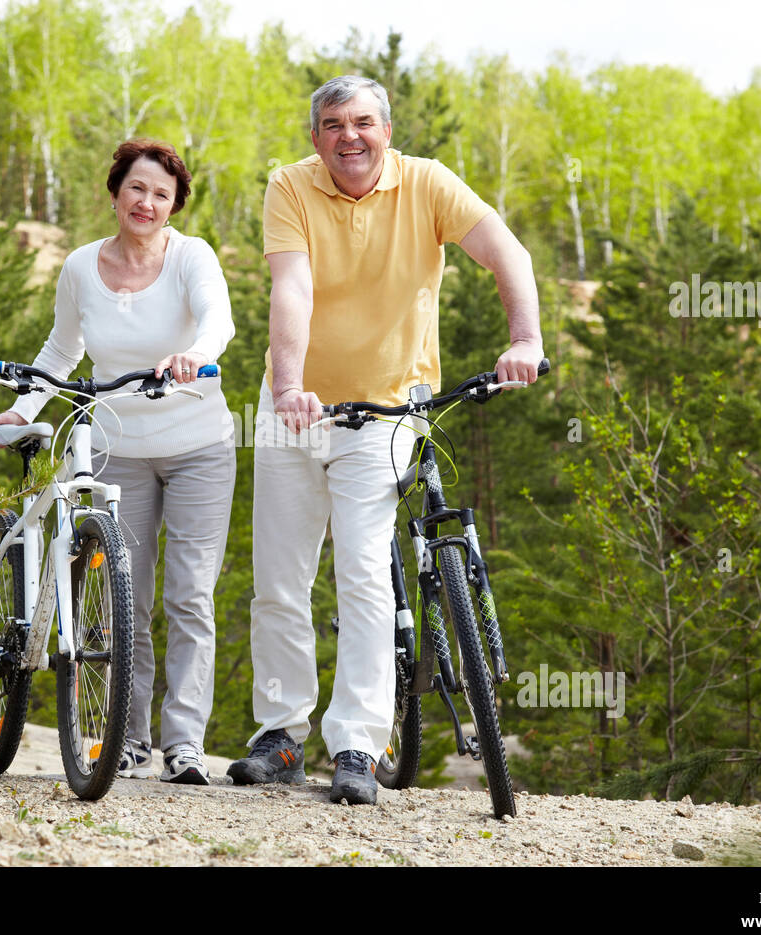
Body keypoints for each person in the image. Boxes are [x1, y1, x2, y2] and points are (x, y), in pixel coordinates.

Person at [227, 76, 544, 804]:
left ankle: (358, 746)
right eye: (333, 124)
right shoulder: (291, 187)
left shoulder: (429, 185)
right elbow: (293, 288)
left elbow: (507, 253)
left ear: (387, 129)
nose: (349, 136)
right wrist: (287, 387)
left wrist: (523, 339)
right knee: (279, 579)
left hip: (386, 410)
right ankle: (279, 737)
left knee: (364, 572)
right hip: (296, 406)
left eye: (363, 122)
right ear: (315, 139)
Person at [0, 139, 236, 785]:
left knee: (189, 596)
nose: (146, 202)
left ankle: (184, 745)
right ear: (116, 192)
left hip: (198, 447)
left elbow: (218, 322)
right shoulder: (78, 267)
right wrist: (22, 407)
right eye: (136, 189)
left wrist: (194, 355)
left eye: (161, 193)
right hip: (117, 447)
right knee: (123, 599)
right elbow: (61, 350)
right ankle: (128, 737)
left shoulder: (191, 257)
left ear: (174, 203)